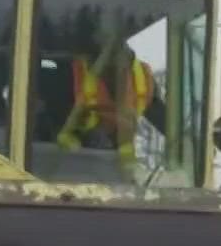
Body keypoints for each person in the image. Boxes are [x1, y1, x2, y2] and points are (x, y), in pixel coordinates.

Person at [54, 32, 166, 174]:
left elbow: (170, 127)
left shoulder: (143, 80)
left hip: (120, 173)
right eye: (107, 67)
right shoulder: (69, 75)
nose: (116, 74)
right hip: (67, 171)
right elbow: (48, 131)